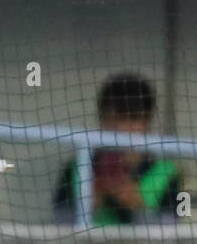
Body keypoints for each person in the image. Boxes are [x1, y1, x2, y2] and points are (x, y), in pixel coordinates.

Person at [54, 73, 182, 226]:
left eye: (132, 119)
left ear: (147, 121)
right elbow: (58, 226)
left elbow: (171, 235)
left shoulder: (167, 174)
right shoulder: (76, 168)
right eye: (114, 118)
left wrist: (136, 208)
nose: (122, 128)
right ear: (101, 118)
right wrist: (87, 206)